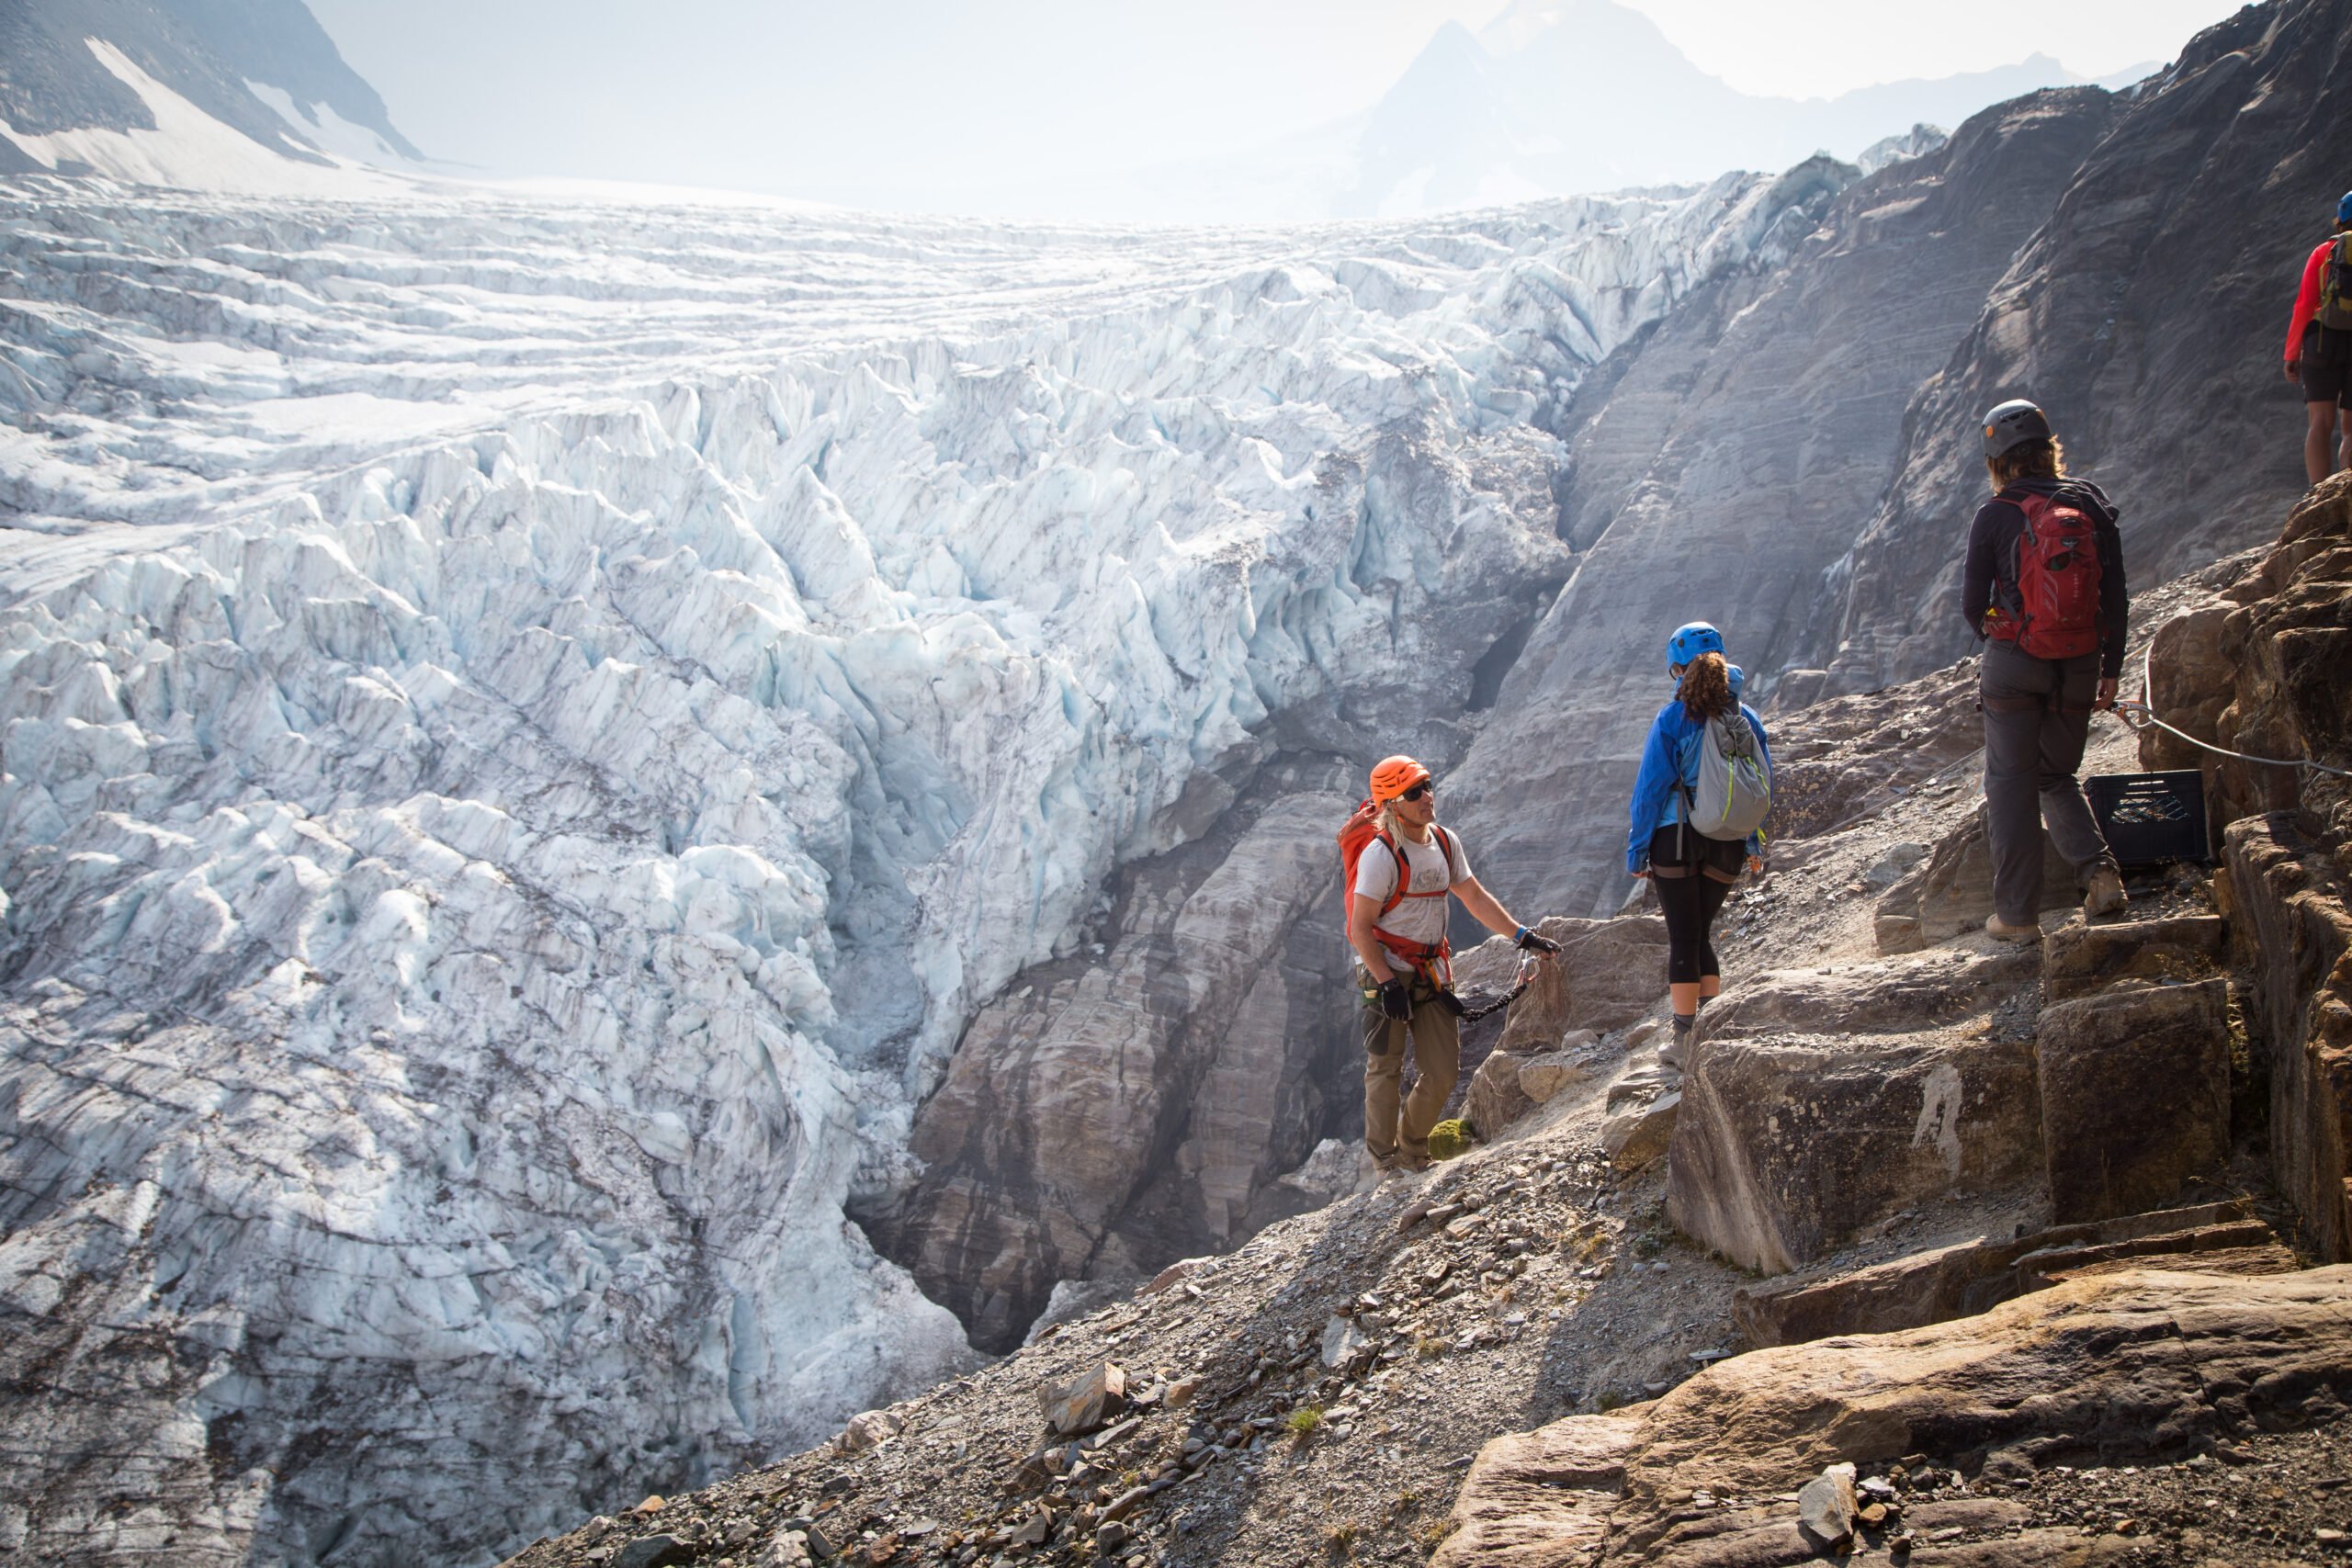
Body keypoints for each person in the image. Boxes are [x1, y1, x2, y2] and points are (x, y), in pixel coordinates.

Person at [1961, 399, 2129, 942]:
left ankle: (2016, 917)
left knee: (2010, 783)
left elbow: (1971, 604)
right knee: (2055, 774)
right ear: (2048, 448)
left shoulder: (1995, 513)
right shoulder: (2090, 504)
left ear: (1997, 460)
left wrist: (2003, 634)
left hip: (2015, 663)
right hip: (2080, 661)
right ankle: (2100, 874)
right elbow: (2115, 593)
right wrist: (2111, 666)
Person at [1347, 755, 1555, 1174]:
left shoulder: (1444, 842)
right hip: (1386, 969)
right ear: (1391, 803)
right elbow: (1360, 929)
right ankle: (1386, 1161)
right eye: (1414, 792)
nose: (1427, 796)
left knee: (1443, 1071)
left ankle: (1411, 1146)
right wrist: (1387, 984)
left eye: (1427, 785)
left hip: (1429, 972)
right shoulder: (1380, 855)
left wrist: (1522, 936)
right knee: (1385, 1066)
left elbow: (1474, 897)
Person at [1624, 623, 1770, 1055]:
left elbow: (1650, 788)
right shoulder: (1748, 718)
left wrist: (1637, 849)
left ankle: (1685, 1037)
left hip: (1678, 837)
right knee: (1703, 932)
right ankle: (1710, 1030)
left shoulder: (1673, 719)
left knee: (1684, 937)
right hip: (1728, 840)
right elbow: (1761, 783)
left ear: (1679, 670)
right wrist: (1752, 842)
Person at [2283, 190, 2352, 486]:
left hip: (2321, 341)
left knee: (2320, 423)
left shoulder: (2323, 253)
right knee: (2350, 428)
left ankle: (2318, 493)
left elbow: (2304, 305)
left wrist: (2291, 354)